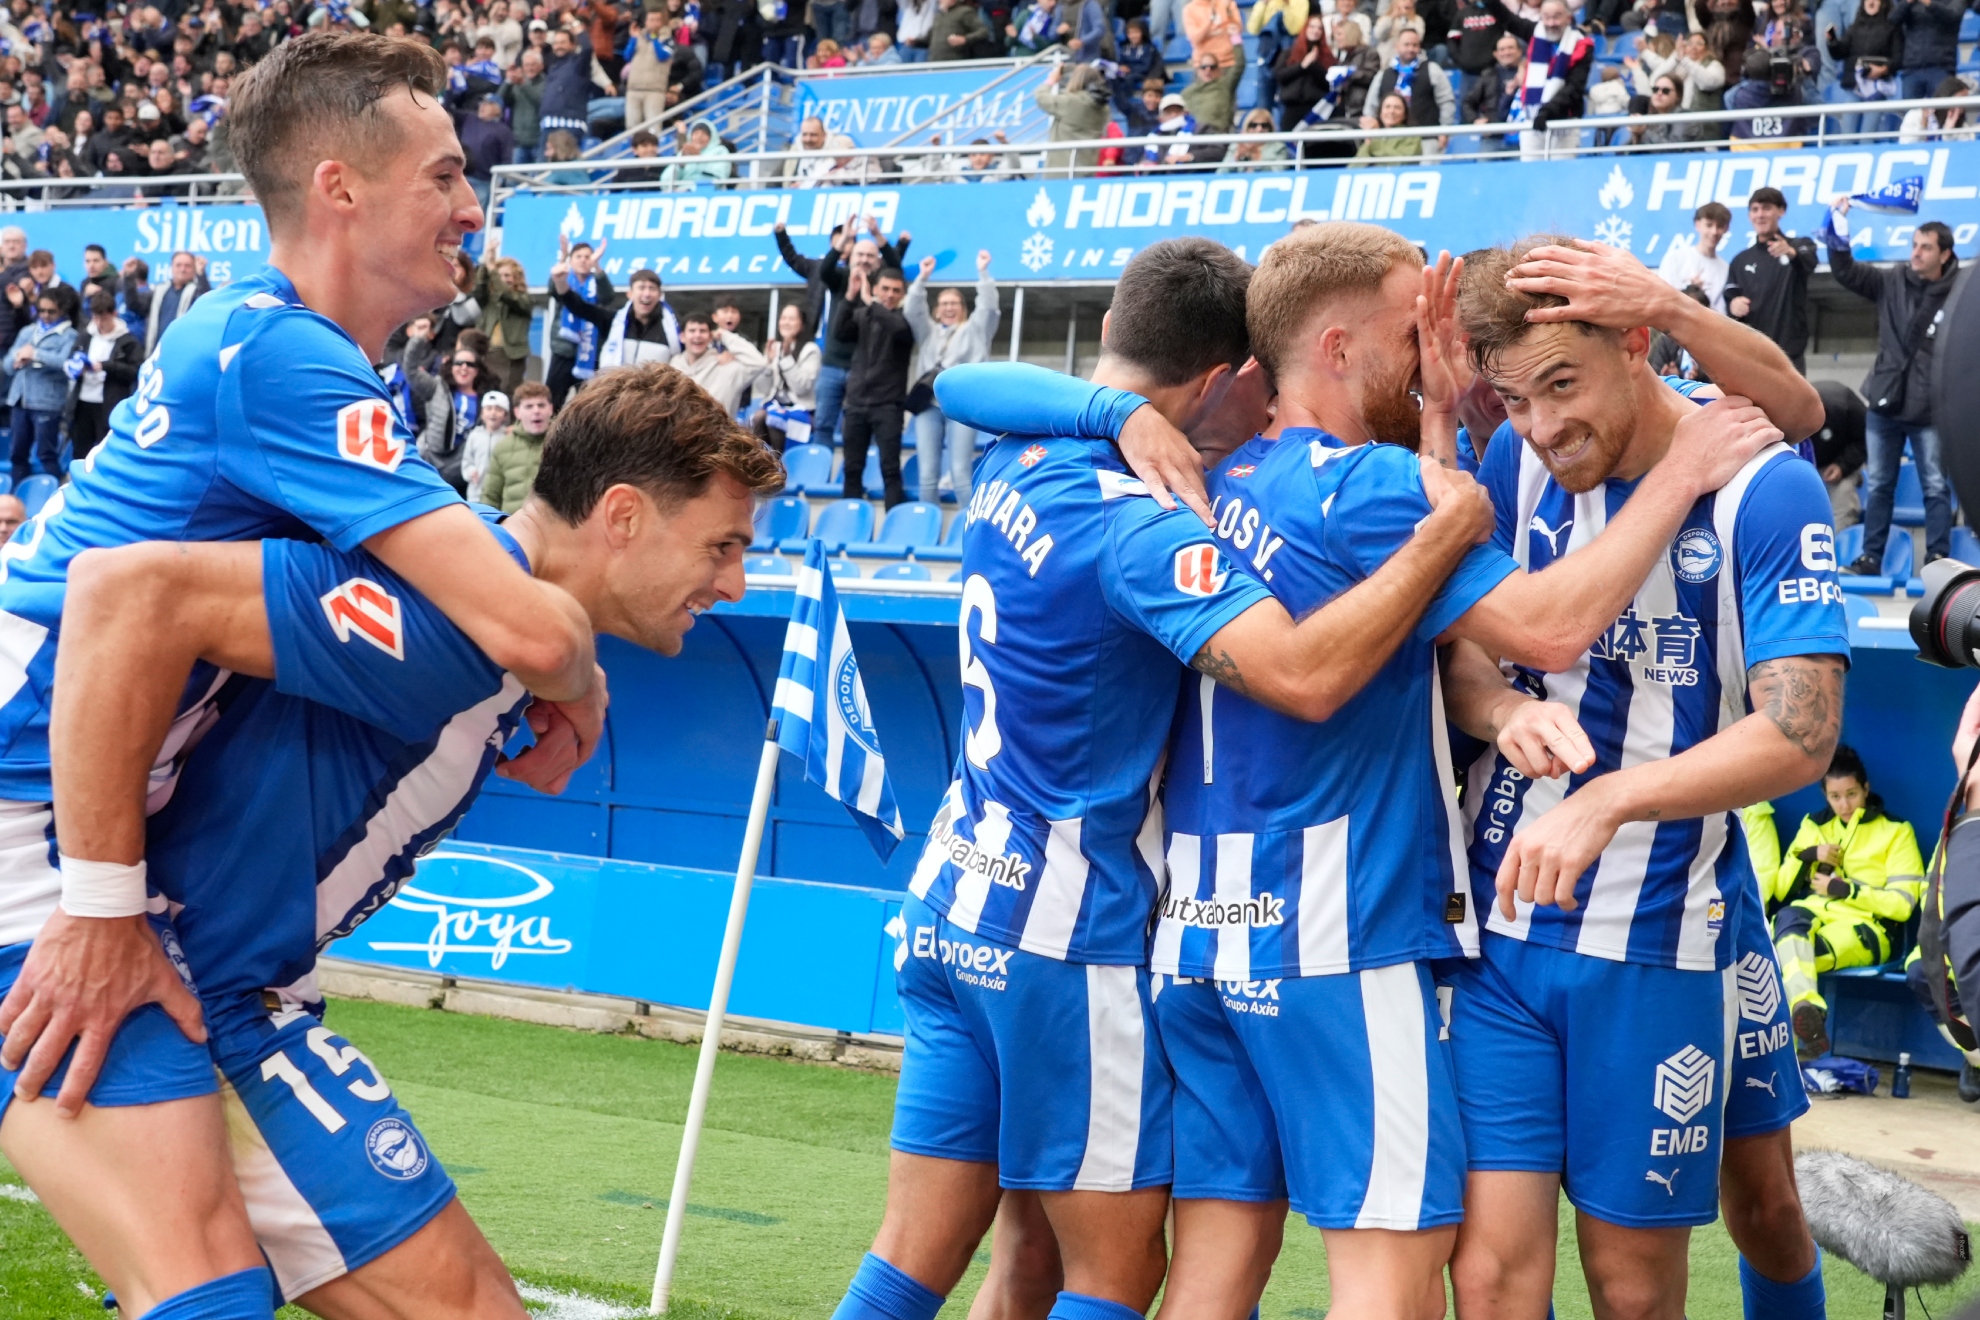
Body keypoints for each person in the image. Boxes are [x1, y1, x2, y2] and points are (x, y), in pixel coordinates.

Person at [937, 226, 1797, 1320]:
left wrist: (1434, 415)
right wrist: (1682, 469)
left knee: (1214, 1262)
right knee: (1399, 1259)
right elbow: (1547, 626)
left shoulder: (1205, 469)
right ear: (1338, 347)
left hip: (1198, 939)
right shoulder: (1373, 486)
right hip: (1337, 937)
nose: (1442, 350)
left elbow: (968, 384)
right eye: (1413, 332)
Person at [0, 31, 603, 1320]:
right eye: (444, 176)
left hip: (62, 817)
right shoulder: (281, 358)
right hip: (24, 834)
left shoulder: (280, 347)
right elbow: (534, 631)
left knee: (215, 1279)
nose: (471, 205)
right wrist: (102, 910)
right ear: (339, 187)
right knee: (204, 1281)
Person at [827, 234, 1495, 1320]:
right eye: (1258, 389)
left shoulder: (1017, 451)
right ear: (1233, 377)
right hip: (1068, 928)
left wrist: (1111, 411)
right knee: (1116, 1272)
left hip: (956, 891)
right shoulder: (1136, 523)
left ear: (1105, 339)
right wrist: (1444, 531)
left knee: (934, 1255)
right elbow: (1303, 677)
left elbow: (953, 379)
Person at [43, 364, 784, 1320]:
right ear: (625, 516)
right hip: (203, 993)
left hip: (233, 985)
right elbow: (133, 591)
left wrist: (571, 674)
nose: (734, 581)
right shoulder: (455, 619)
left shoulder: (495, 616)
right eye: (721, 545)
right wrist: (99, 910)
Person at [1446, 235, 1841, 1320]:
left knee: (1730, 1227)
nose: (1542, 427)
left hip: (1668, 928)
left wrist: (1611, 797)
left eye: (1562, 387)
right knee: (1486, 1278)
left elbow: (1801, 736)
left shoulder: (1763, 485)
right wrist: (1501, 707)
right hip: (1502, 934)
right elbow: (1469, 653)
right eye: (1515, 399)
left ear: (1638, 343)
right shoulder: (1516, 460)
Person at [1767, 746, 1926, 1057]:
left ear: (1865, 789)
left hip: (1868, 928)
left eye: (1851, 794)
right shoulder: (1814, 825)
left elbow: (1903, 906)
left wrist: (1847, 890)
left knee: (1791, 955)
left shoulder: (1896, 832)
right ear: (1825, 794)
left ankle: (1806, 1018)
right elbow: (1783, 889)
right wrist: (1810, 854)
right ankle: (1807, 1008)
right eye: (1835, 797)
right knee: (1787, 919)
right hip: (1812, 914)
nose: (1844, 805)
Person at [1828, 209, 1958, 574]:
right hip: (1884, 405)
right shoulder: (1891, 281)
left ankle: (1938, 560)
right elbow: (1846, 271)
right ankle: (1871, 558)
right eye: (1914, 245)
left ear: (1944, 254)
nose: (1915, 252)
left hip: (1929, 409)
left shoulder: (1962, 292)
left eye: (1926, 247)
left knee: (1935, 486)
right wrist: (1838, 233)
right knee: (1880, 485)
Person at [775, 220, 912, 448]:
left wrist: (878, 235)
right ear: (851, 256)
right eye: (860, 255)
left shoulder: (881, 285)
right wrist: (844, 238)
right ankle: (820, 469)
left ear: (877, 261)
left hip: (863, 370)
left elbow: (895, 267)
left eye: (870, 256)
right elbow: (824, 268)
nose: (864, 260)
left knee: (859, 427)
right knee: (824, 424)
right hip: (832, 365)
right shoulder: (840, 277)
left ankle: (854, 475)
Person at [905, 251, 998, 508]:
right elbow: (912, 309)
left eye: (954, 303)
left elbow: (988, 307)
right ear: (936, 309)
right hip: (928, 407)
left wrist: (983, 273)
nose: (948, 307)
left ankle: (969, 530)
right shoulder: (929, 332)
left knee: (960, 473)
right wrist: (922, 278)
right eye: (944, 303)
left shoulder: (975, 329)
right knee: (926, 475)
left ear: (963, 308)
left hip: (960, 405)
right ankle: (926, 528)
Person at [832, 265, 915, 508]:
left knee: (890, 469)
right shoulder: (864, 314)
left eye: (896, 290)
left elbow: (897, 328)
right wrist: (850, 296)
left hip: (888, 406)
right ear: (877, 288)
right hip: (856, 403)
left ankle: (895, 523)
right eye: (885, 289)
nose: (890, 294)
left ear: (903, 294)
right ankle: (849, 521)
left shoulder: (905, 321)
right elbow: (839, 332)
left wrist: (870, 301)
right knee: (852, 468)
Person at [1725, 187, 1819, 373]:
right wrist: (1734, 304)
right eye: (1755, 209)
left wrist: (1790, 253)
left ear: (1781, 211)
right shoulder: (1740, 260)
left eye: (1766, 208)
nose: (1760, 215)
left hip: (1789, 353)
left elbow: (1809, 262)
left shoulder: (1800, 245)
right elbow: (1730, 294)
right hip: (1751, 354)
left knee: (1791, 402)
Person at [1484, 0, 1593, 160]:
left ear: (1568, 18)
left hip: (1564, 123)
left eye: (1556, 17)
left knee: (1561, 176)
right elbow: (1507, 19)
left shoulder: (1582, 44)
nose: (1551, 23)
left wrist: (1548, 110)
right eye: (1546, 17)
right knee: (1531, 174)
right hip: (1532, 120)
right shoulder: (1535, 32)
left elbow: (1575, 86)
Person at [555, 265, 682, 372]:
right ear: (630, 294)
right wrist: (561, 282)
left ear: (660, 295)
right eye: (642, 287)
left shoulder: (672, 328)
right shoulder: (614, 320)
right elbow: (580, 308)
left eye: (652, 289)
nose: (647, 294)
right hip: (617, 394)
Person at [65, 289, 142, 464]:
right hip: (82, 403)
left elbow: (136, 371)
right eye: (96, 318)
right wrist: (76, 367)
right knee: (80, 452)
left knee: (105, 453)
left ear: (114, 314)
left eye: (104, 318)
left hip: (108, 405)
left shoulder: (128, 341)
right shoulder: (86, 336)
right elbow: (70, 360)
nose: (99, 323)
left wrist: (106, 366)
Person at [6, 290, 75, 485]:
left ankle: (54, 495)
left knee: (46, 455)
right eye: (41, 310)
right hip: (19, 399)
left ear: (62, 310)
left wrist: (36, 355)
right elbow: (6, 365)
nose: (45, 315)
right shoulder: (27, 331)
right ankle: (17, 500)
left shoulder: (69, 335)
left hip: (47, 402)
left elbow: (65, 363)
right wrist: (17, 359)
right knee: (17, 454)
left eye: (51, 311)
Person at [545, 236, 619, 408]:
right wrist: (562, 257)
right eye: (579, 256)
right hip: (563, 349)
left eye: (588, 257)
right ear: (571, 260)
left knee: (587, 404)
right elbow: (553, 289)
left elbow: (608, 297)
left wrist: (597, 266)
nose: (584, 260)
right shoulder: (564, 278)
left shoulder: (595, 282)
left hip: (589, 351)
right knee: (552, 399)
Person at [1361, 27, 1454, 152]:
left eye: (1415, 45)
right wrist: (1370, 132)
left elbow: (1446, 102)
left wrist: (1444, 130)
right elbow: (1370, 107)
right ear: (1397, 46)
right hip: (1387, 142)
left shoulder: (1432, 70)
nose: (1411, 49)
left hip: (1426, 139)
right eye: (1406, 44)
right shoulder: (1383, 74)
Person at [1824, 0, 1902, 137]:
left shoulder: (1892, 28)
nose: (1871, 2)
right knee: (1846, 138)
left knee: (1867, 138)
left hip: (1877, 89)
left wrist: (1883, 70)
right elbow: (1839, 53)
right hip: (1854, 88)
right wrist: (1832, 41)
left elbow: (1898, 59)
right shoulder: (1853, 28)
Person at [672, 311, 767, 416]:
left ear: (711, 337)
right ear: (682, 337)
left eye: (702, 331)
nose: (697, 335)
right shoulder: (672, 368)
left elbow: (759, 363)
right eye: (692, 330)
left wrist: (724, 335)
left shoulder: (727, 368)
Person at [483, 380, 556, 513]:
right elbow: (490, 496)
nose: (536, 411)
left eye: (541, 405)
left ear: (550, 409)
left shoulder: (563, 443)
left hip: (552, 528)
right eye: (529, 406)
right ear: (517, 412)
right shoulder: (502, 447)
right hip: (511, 527)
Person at [757, 303, 822, 446]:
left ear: (802, 324)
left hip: (802, 411)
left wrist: (786, 359)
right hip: (773, 406)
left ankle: (781, 464)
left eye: (792, 319)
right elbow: (763, 389)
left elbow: (802, 388)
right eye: (783, 318)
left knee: (774, 418)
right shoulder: (775, 347)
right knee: (756, 418)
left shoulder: (811, 350)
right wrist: (767, 363)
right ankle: (759, 464)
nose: (786, 322)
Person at [1655, 201, 1732, 313]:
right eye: (1709, 225)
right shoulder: (1675, 258)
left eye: (1719, 226)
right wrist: (1689, 291)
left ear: (1726, 228)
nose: (1714, 232)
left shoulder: (1726, 269)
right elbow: (1662, 296)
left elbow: (1722, 313)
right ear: (1698, 225)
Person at [475, 254, 535, 394]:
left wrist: (493, 271)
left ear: (517, 278)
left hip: (511, 356)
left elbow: (506, 295)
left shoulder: (524, 299)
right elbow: (479, 288)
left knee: (507, 395)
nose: (503, 279)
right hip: (487, 354)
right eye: (499, 275)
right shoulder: (488, 300)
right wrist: (485, 265)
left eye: (507, 275)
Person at [1036, 61, 1112, 171]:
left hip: (1062, 169)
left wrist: (1051, 80)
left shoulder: (1071, 102)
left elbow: (1040, 97)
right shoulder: (1103, 107)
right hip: (1088, 167)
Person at [1463, 32, 1523, 149]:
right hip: (1492, 138)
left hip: (1520, 138)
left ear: (1520, 51)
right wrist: (1475, 120)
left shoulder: (1529, 74)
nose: (1506, 52)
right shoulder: (1488, 75)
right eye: (1502, 49)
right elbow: (1467, 102)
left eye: (1511, 48)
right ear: (1496, 54)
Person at [143, 249, 210, 352]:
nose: (182, 269)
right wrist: (128, 278)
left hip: (183, 349)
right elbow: (136, 306)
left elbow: (207, 303)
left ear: (194, 269)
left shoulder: (196, 290)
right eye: (178, 265)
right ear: (171, 267)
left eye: (187, 266)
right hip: (157, 350)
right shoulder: (159, 290)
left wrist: (201, 274)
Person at [1894, 0, 1962, 100]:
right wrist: (1907, 3)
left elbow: (1954, 16)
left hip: (1941, 66)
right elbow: (1893, 19)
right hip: (1912, 67)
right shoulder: (1911, 3)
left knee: (1941, 112)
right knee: (1910, 114)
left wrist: (1929, 3)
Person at [457, 92, 515, 206]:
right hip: (460, 176)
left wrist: (499, 181)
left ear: (498, 110)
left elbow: (507, 159)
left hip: (483, 181)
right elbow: (446, 109)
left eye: (487, 104)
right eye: (482, 103)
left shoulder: (503, 131)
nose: (482, 106)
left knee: (476, 214)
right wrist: (449, 86)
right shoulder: (469, 118)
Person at [622, 5, 674, 130]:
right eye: (651, 20)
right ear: (646, 22)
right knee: (632, 128)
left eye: (658, 20)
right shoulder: (638, 38)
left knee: (653, 128)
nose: (654, 23)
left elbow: (662, 56)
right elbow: (627, 56)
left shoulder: (667, 39)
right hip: (634, 88)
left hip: (654, 90)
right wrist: (633, 38)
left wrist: (655, 38)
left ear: (662, 22)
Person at [462, 388, 510, 504]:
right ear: (482, 414)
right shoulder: (474, 436)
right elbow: (467, 460)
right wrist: (470, 472)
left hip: (499, 495)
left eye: (498, 409)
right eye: (489, 409)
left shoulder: (507, 436)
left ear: (505, 415)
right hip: (475, 494)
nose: (493, 413)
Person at [1355, 91, 1425, 158]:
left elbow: (1400, 163)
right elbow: (1354, 167)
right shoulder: (1372, 134)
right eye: (1387, 107)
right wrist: (1369, 140)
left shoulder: (1412, 136)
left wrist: (1375, 138)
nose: (1391, 111)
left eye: (1397, 108)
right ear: (1380, 112)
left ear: (1405, 114)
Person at [1184, 0, 1246, 70]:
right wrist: (1210, 20)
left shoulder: (1227, 3)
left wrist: (1228, 11)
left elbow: (1238, 29)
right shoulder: (1190, 9)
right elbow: (1195, 38)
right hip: (1204, 65)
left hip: (1229, 61)